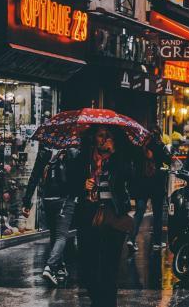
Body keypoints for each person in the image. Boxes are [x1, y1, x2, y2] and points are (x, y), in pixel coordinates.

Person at [72, 126, 133, 307]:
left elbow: (130, 177)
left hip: (113, 217)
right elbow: (70, 184)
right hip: (88, 217)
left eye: (108, 136)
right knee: (87, 267)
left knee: (109, 268)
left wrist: (114, 155)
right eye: (101, 135)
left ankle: (106, 303)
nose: (104, 140)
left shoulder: (119, 159)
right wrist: (83, 184)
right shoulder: (82, 158)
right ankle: (98, 300)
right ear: (93, 138)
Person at [22, 146, 76, 285]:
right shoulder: (72, 153)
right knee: (61, 235)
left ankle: (59, 267)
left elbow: (34, 177)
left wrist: (27, 202)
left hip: (47, 200)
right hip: (64, 199)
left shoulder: (44, 154)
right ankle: (50, 267)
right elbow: (79, 177)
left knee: (54, 234)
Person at [127, 133, 172, 252]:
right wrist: (162, 171)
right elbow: (167, 164)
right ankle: (156, 242)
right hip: (156, 186)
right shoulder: (161, 147)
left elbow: (134, 167)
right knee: (157, 214)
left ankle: (131, 238)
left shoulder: (138, 148)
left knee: (139, 213)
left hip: (141, 187)